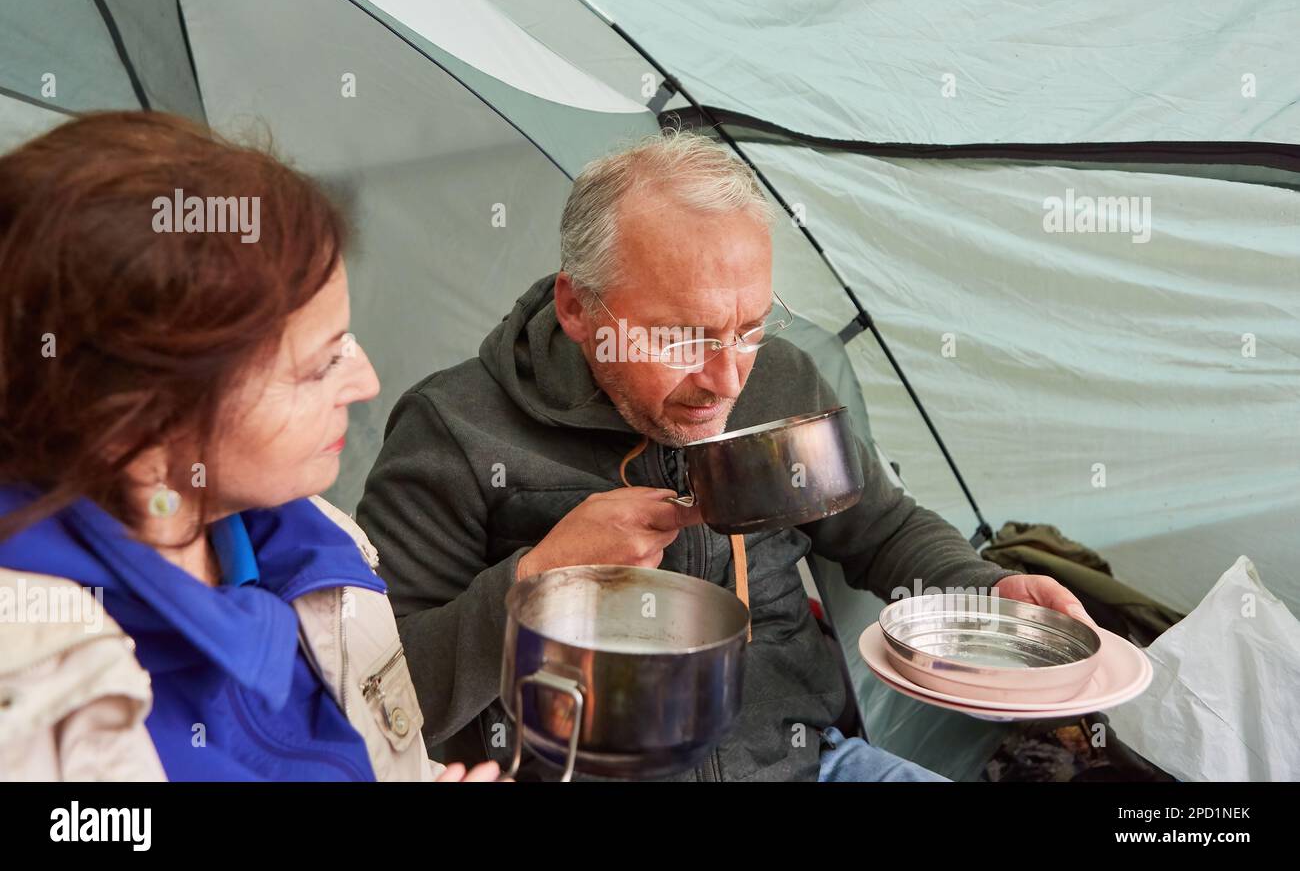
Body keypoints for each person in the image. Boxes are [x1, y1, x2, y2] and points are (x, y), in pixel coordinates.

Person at [357, 130, 1097, 782]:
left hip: (804, 760)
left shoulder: (782, 380)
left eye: (748, 325)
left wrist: (983, 588)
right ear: (579, 308)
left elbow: (883, 528)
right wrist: (538, 578)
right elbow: (387, 695)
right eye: (681, 337)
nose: (727, 378)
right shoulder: (454, 430)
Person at [0, 111, 500, 782]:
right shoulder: (30, 709)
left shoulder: (319, 545)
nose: (367, 381)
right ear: (140, 422)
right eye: (321, 364)